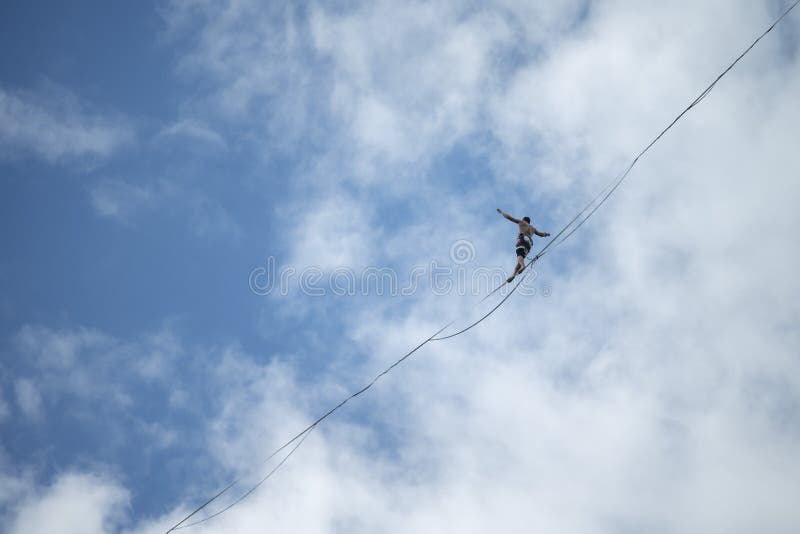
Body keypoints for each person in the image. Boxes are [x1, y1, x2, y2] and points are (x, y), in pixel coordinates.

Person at [496, 208, 550, 283]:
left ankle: (523, 266)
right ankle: (513, 274)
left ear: (524, 220)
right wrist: (545, 234)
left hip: (523, 239)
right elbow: (540, 234)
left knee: (519, 255)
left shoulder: (521, 222)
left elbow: (510, 218)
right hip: (529, 244)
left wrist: (502, 212)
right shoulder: (533, 228)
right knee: (520, 257)